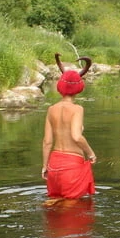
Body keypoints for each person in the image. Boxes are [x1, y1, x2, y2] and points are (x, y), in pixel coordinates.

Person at [42, 54, 96, 200]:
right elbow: (76, 137)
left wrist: (45, 166)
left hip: (54, 163)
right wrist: (91, 153)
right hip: (71, 165)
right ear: (79, 87)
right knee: (72, 207)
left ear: (60, 86)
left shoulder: (51, 109)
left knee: (55, 202)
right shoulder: (77, 109)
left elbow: (47, 142)